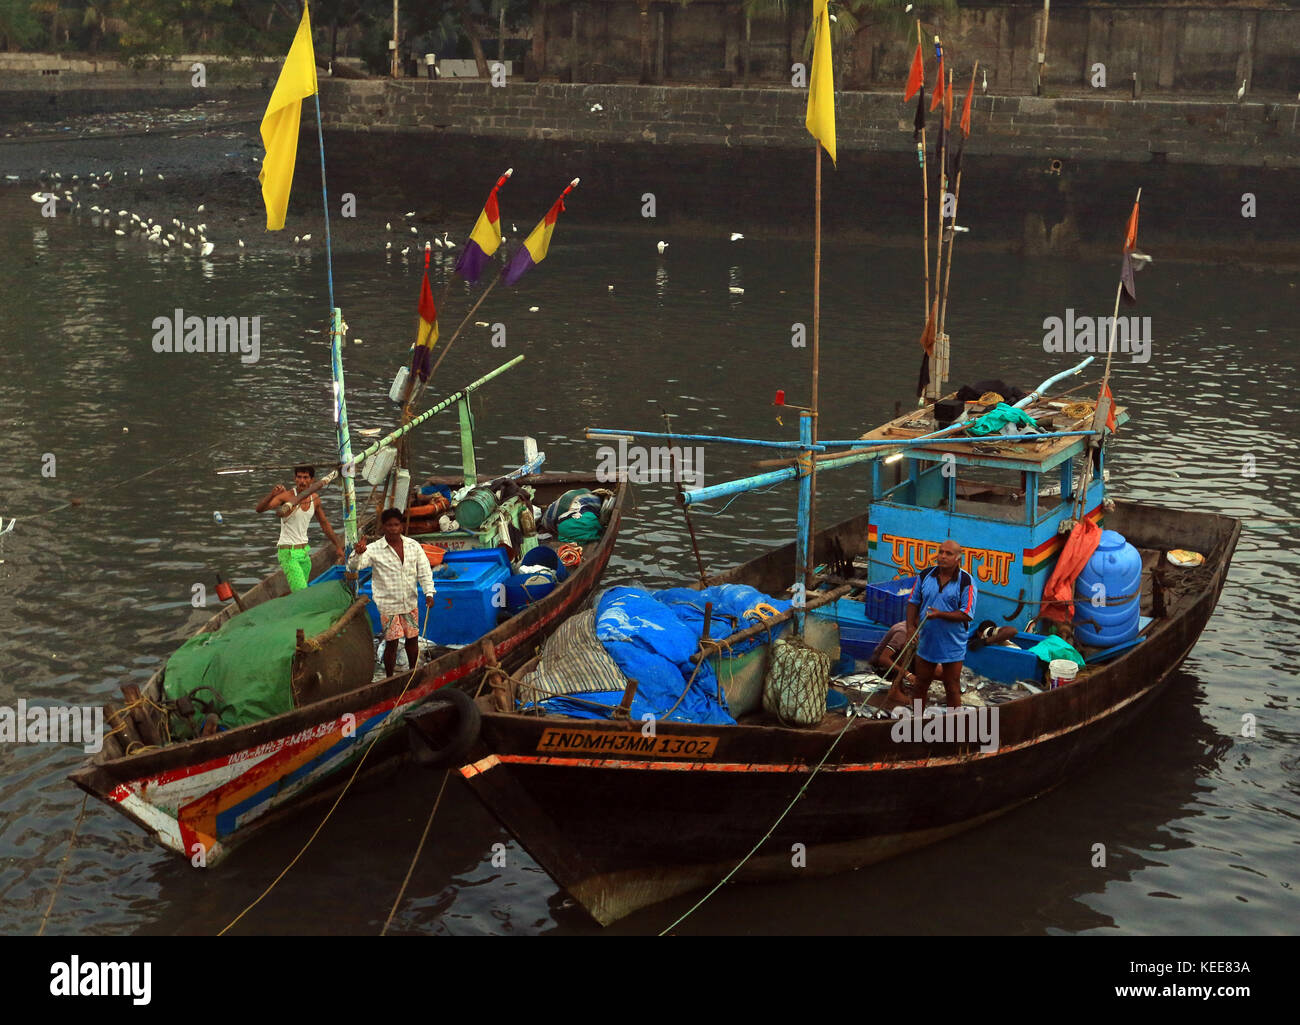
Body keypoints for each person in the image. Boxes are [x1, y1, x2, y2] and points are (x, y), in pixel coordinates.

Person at [885, 539, 977, 709]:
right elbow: (913, 602)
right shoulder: (925, 575)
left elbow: (967, 614)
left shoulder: (966, 582)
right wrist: (910, 629)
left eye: (948, 553)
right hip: (926, 641)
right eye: (941, 552)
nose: (942, 556)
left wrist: (940, 614)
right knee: (920, 684)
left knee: (952, 687)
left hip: (952, 644)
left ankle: (953, 727)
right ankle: (917, 720)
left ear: (958, 558)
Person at [348, 507, 436, 677]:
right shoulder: (373, 549)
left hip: (409, 602)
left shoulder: (413, 546)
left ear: (401, 526)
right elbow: (354, 566)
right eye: (389, 525)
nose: (393, 528)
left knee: (412, 640)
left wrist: (429, 593)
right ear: (383, 527)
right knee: (392, 642)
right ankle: (390, 678)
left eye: (396, 525)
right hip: (388, 605)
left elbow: (424, 571)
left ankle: (413, 673)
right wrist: (357, 553)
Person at [255, 465, 344, 592]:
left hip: (304, 553)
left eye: (305, 477)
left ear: (312, 480)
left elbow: (325, 524)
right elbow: (259, 509)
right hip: (288, 552)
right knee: (301, 591)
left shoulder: (315, 499)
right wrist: (272, 494)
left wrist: (338, 546)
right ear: (295, 479)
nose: (302, 481)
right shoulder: (286, 497)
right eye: (299, 477)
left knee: (303, 591)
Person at [871, 621, 918, 688]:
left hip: (901, 665)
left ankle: (918, 695)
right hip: (883, 668)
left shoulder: (916, 628)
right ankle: (896, 689)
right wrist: (906, 673)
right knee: (908, 644)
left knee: (933, 670)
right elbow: (883, 659)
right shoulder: (903, 632)